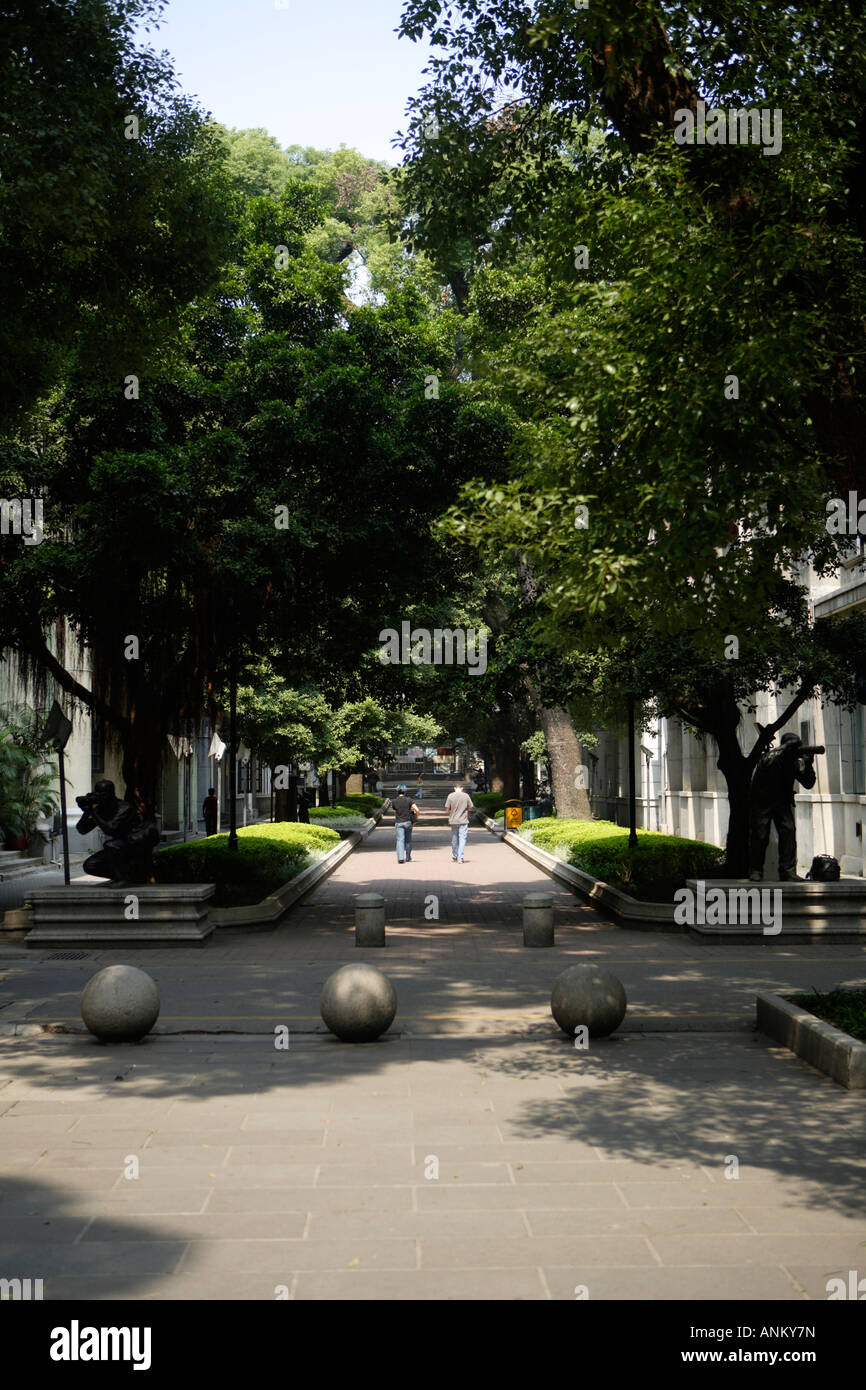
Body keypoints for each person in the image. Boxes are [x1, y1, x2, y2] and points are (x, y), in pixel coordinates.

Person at [748, 733, 817, 881]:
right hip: (762, 800)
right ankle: (755, 870)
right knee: (760, 834)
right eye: (794, 746)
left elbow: (808, 783)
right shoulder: (770, 757)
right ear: (786, 746)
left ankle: (787, 871)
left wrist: (808, 764)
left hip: (781, 801)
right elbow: (756, 783)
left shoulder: (795, 761)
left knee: (789, 831)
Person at [444, 780, 474, 864]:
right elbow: (470, 807)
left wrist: (452, 810)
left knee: (454, 839)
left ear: (454, 788)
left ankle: (454, 855)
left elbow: (447, 809)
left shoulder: (450, 796)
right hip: (463, 820)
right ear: (462, 788)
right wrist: (465, 810)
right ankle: (460, 858)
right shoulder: (466, 796)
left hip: (453, 820)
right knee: (462, 839)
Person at [391, 784, 419, 863]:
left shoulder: (394, 801)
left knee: (400, 840)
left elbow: (395, 812)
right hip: (408, 822)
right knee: (408, 840)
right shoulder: (409, 800)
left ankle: (400, 858)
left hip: (399, 822)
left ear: (397, 791)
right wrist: (416, 817)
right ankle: (408, 857)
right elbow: (417, 810)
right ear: (405, 791)